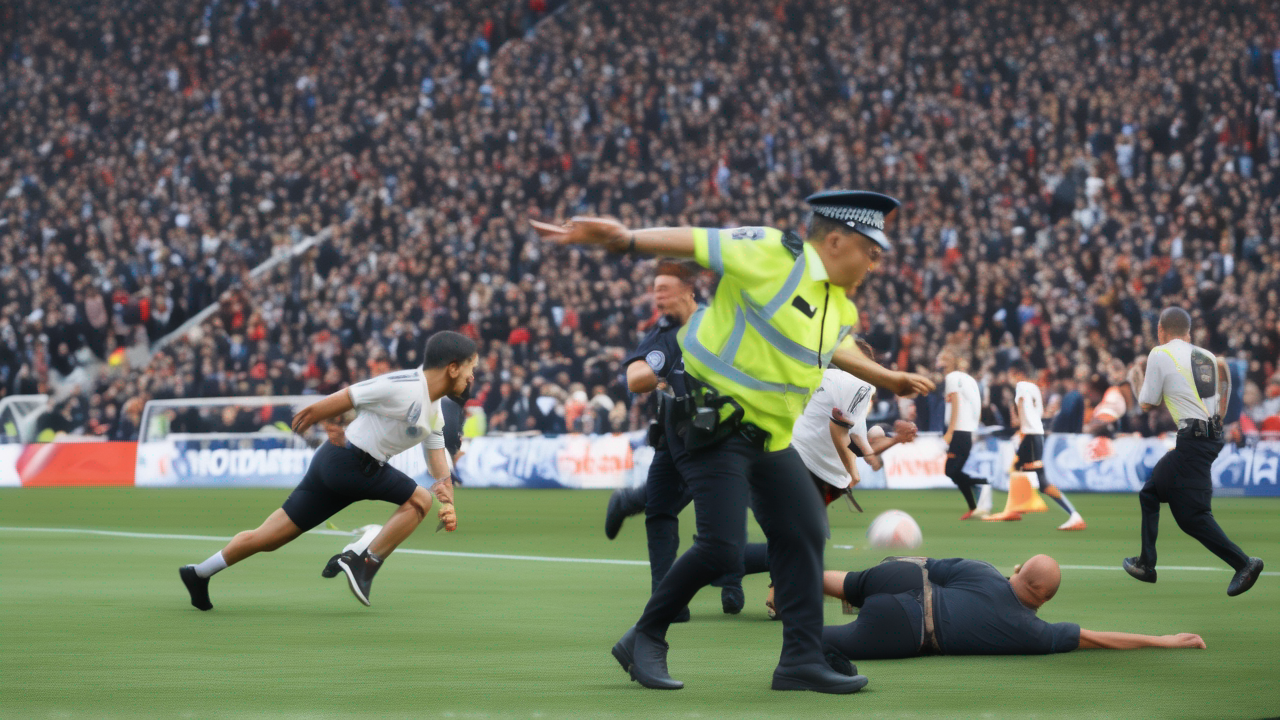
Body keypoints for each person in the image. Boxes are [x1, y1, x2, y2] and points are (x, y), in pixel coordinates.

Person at [533, 190, 935, 694]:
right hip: (710, 424)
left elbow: (837, 345)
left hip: (766, 438)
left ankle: (800, 662)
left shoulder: (840, 305)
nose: (875, 264)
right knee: (721, 549)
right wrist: (625, 239)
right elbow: (699, 243)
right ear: (835, 241)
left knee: (805, 529)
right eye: (870, 252)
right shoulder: (773, 254)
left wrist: (889, 377)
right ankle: (644, 637)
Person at [178, 331, 478, 611]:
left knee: (268, 538)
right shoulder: (405, 386)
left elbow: (436, 454)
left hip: (337, 463)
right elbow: (350, 396)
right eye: (470, 368)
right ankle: (362, 561)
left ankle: (199, 573)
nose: (472, 376)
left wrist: (448, 497)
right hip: (349, 463)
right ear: (452, 368)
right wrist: (315, 419)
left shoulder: (434, 410)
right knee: (419, 501)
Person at [604, 261, 749, 618]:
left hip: (722, 433)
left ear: (689, 290)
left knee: (720, 509)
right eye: (655, 291)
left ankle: (731, 582)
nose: (658, 297)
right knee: (662, 508)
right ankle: (667, 595)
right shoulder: (664, 333)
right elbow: (635, 378)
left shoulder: (719, 323)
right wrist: (660, 374)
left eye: (664, 290)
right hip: (677, 432)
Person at [821, 554, 1208, 660]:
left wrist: (884, 571)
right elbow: (1096, 638)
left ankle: (785, 581)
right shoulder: (1032, 631)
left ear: (1019, 570)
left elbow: (927, 564)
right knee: (814, 641)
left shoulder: (984, 571)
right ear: (1045, 599)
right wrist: (1164, 640)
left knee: (846, 581)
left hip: (904, 577)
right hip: (906, 627)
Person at [1123, 308, 1264, 596]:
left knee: (1193, 517)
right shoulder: (1207, 357)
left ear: (1162, 330)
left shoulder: (1159, 354)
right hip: (1206, 438)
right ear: (1188, 333)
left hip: (1193, 440)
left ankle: (1244, 563)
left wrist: (1136, 380)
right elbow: (1216, 398)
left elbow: (1147, 403)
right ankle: (1146, 563)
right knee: (1150, 493)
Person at [1009, 360, 1085, 531]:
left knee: (1041, 481)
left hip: (1030, 435)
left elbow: (1023, 411)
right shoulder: (1033, 388)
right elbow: (1039, 412)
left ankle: (1074, 515)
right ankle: (1015, 508)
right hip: (1035, 434)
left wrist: (1021, 430)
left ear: (1018, 373)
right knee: (1018, 469)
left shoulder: (1021, 388)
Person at [938, 348, 990, 519]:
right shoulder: (966, 380)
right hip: (965, 432)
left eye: (944, 359)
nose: (940, 362)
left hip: (959, 433)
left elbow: (956, 404)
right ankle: (974, 503)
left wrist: (950, 433)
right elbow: (975, 406)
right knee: (952, 471)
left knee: (951, 471)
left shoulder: (953, 378)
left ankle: (982, 485)